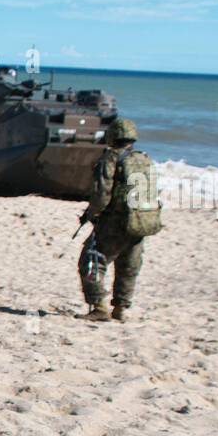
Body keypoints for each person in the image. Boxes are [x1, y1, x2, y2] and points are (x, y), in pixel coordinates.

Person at [76, 117, 161, 322]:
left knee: (91, 261)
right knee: (129, 265)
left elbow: (102, 193)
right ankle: (121, 308)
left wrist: (92, 214)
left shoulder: (110, 159)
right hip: (141, 220)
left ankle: (99, 306)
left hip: (115, 221)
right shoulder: (144, 158)